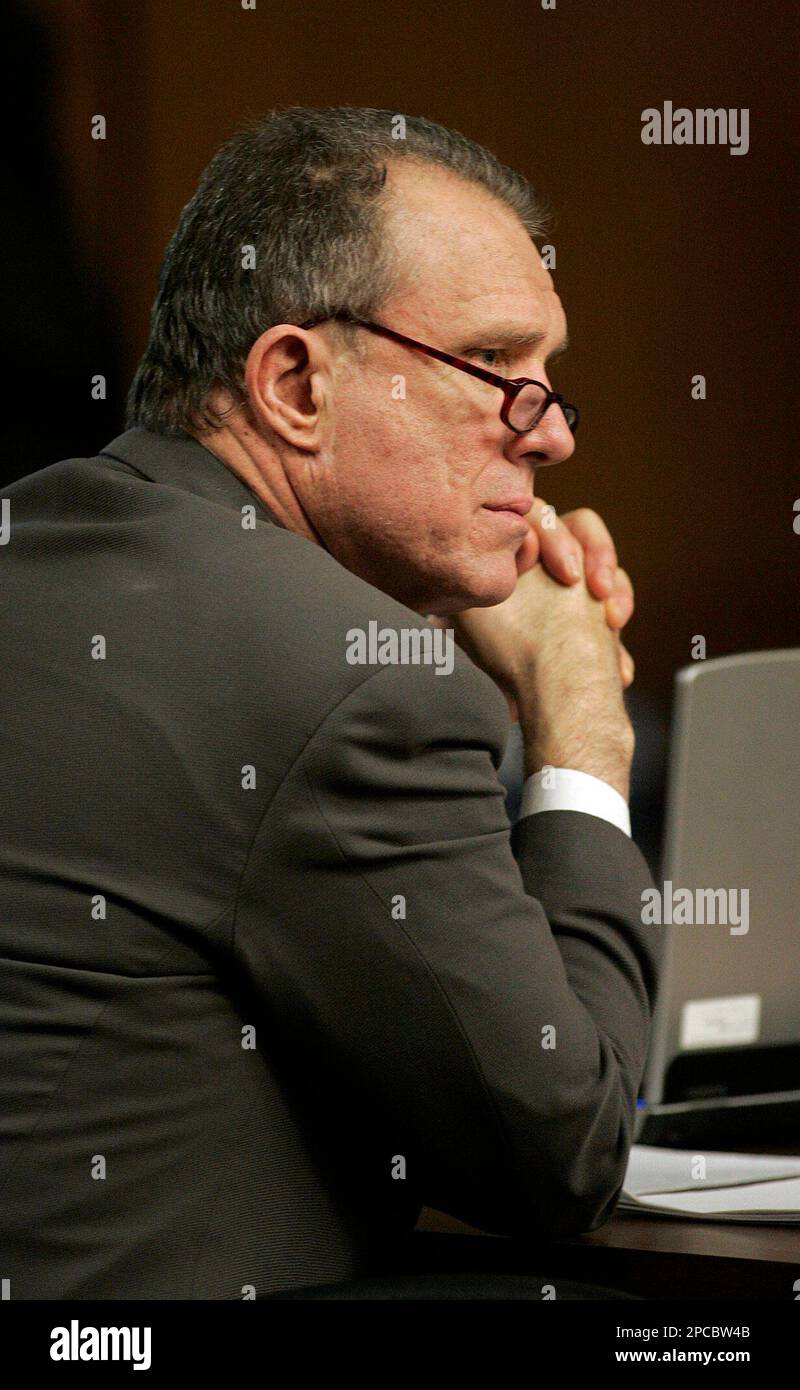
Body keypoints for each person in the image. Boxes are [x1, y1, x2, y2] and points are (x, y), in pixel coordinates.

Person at [0, 106, 659, 1300]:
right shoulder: (357, 693)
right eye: (497, 370)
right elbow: (564, 1155)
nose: (553, 433)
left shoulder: (45, 541)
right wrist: (579, 730)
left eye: (550, 381)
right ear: (294, 383)